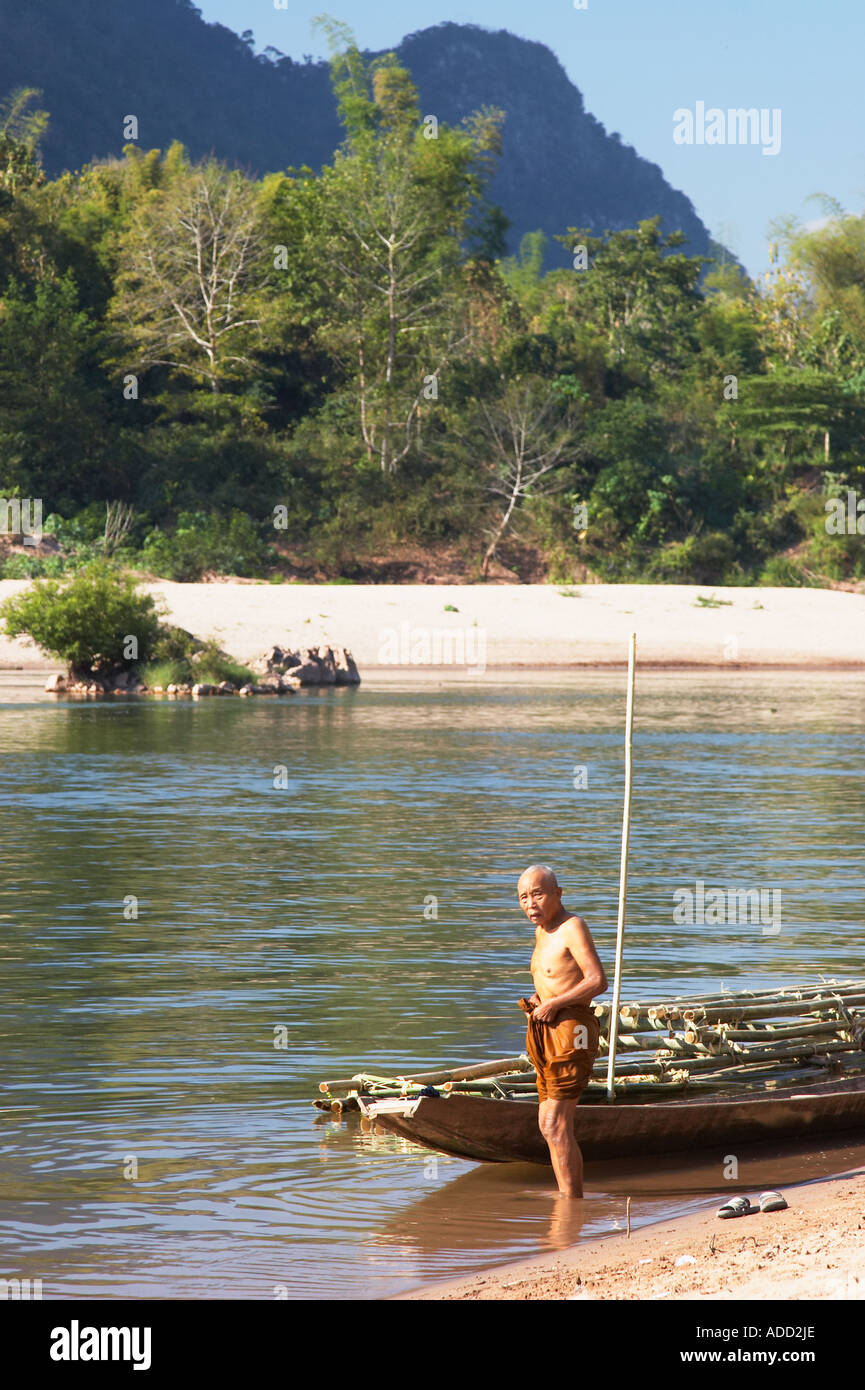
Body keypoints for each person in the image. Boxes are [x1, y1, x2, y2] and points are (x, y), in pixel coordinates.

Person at [517, 865, 607, 1197]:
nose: (530, 904)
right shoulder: (542, 932)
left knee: (555, 1123)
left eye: (538, 894)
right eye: (524, 897)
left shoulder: (573, 926)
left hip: (573, 1032)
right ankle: (569, 1201)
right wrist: (542, 998)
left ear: (558, 893)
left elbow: (597, 980)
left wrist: (555, 1005)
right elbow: (557, 978)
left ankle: (573, 1205)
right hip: (545, 1033)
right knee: (548, 1125)